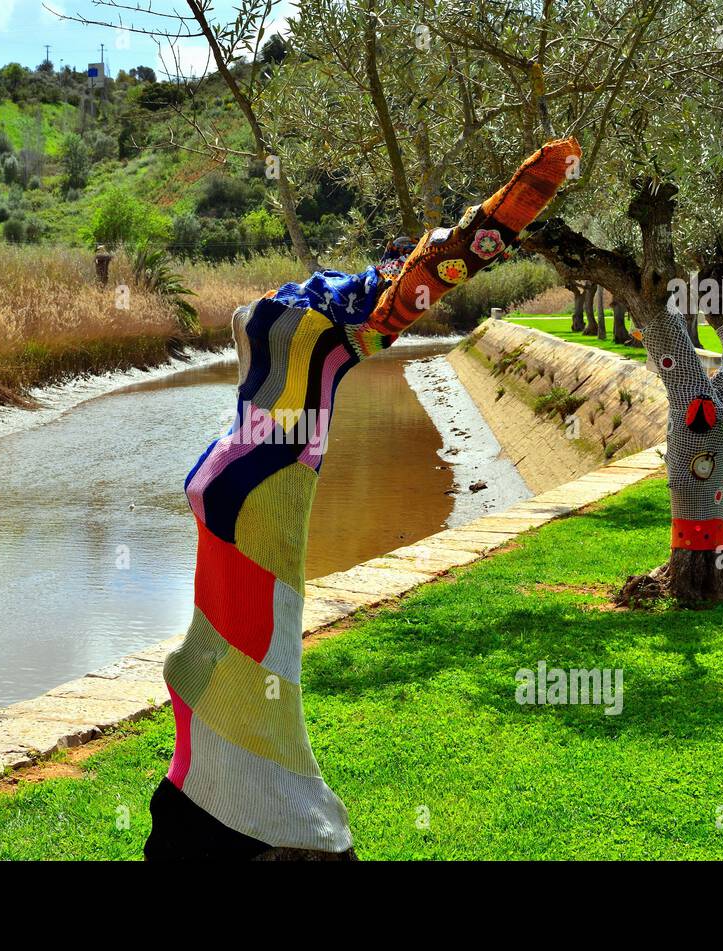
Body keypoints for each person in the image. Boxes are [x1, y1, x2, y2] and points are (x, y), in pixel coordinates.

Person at [144, 137, 582, 860]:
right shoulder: (254, 413)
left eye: (321, 293)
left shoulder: (305, 398)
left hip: (244, 716)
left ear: (350, 330)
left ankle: (285, 829)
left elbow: (426, 271)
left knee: (268, 802)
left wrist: (512, 208)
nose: (301, 286)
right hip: (205, 719)